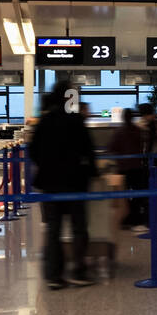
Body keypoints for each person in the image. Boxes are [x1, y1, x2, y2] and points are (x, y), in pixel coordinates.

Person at [28, 80, 97, 288]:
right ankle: (78, 271)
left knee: (53, 229)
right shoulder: (76, 121)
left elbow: (33, 151)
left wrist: (47, 166)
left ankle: (53, 276)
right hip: (75, 182)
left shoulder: (44, 121)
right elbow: (88, 150)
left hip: (51, 184)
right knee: (79, 229)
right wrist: (90, 173)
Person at [108, 107, 147, 228]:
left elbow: (111, 148)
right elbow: (142, 147)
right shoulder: (138, 131)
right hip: (136, 167)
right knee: (137, 194)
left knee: (124, 195)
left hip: (123, 168)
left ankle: (127, 218)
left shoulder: (119, 132)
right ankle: (135, 217)